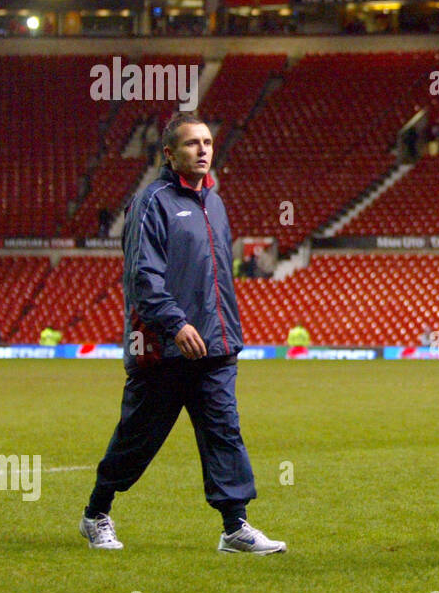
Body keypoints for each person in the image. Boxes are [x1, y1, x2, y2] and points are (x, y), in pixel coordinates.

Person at [79, 113, 286, 555]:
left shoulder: (215, 202)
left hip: (214, 346)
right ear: (170, 154)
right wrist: (176, 323)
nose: (204, 150)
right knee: (138, 439)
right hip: (163, 349)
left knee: (223, 432)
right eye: (192, 143)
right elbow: (142, 277)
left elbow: (215, 277)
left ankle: (235, 527)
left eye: (208, 142)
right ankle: (96, 513)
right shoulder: (151, 202)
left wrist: (223, 332)